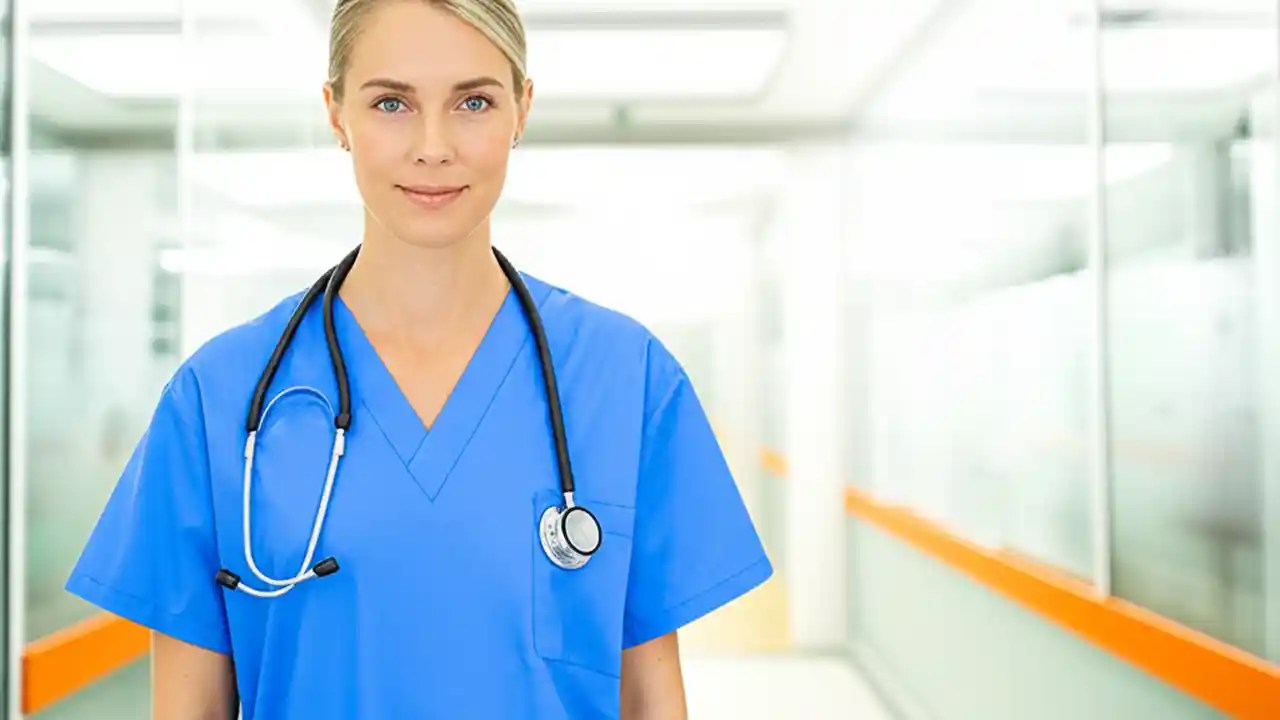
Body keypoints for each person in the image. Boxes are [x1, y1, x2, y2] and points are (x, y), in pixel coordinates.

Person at [64, 0, 772, 718]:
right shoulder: (219, 398)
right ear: (337, 114)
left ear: (521, 110)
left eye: (473, 101)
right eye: (392, 102)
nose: (433, 146)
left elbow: (653, 701)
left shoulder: (627, 380)